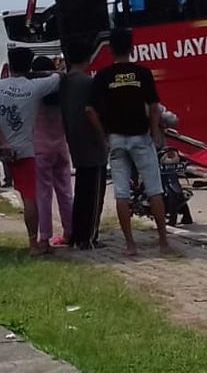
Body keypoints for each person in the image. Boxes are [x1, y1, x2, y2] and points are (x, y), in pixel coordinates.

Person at [89, 28, 171, 256]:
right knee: (155, 189)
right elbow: (154, 107)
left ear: (111, 50)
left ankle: (130, 245)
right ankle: (163, 241)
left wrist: (103, 137)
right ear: (131, 48)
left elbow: (90, 110)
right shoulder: (143, 73)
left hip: (115, 139)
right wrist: (154, 133)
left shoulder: (103, 76)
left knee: (122, 194)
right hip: (142, 138)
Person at [0, 47, 60, 255]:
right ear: (29, 66)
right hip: (24, 151)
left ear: (9, 64)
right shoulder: (35, 87)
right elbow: (58, 78)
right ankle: (33, 244)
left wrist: (2, 143)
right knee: (29, 197)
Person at [61, 40, 108, 250]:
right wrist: (103, 139)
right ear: (88, 58)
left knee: (81, 191)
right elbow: (92, 112)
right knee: (95, 193)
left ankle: (76, 234)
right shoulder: (89, 83)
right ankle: (89, 237)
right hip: (92, 143)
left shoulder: (64, 83)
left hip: (75, 142)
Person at [31, 56, 73, 252]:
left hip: (40, 150)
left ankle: (44, 238)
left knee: (43, 195)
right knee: (65, 192)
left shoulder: (34, 94)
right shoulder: (61, 94)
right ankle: (70, 231)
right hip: (61, 147)